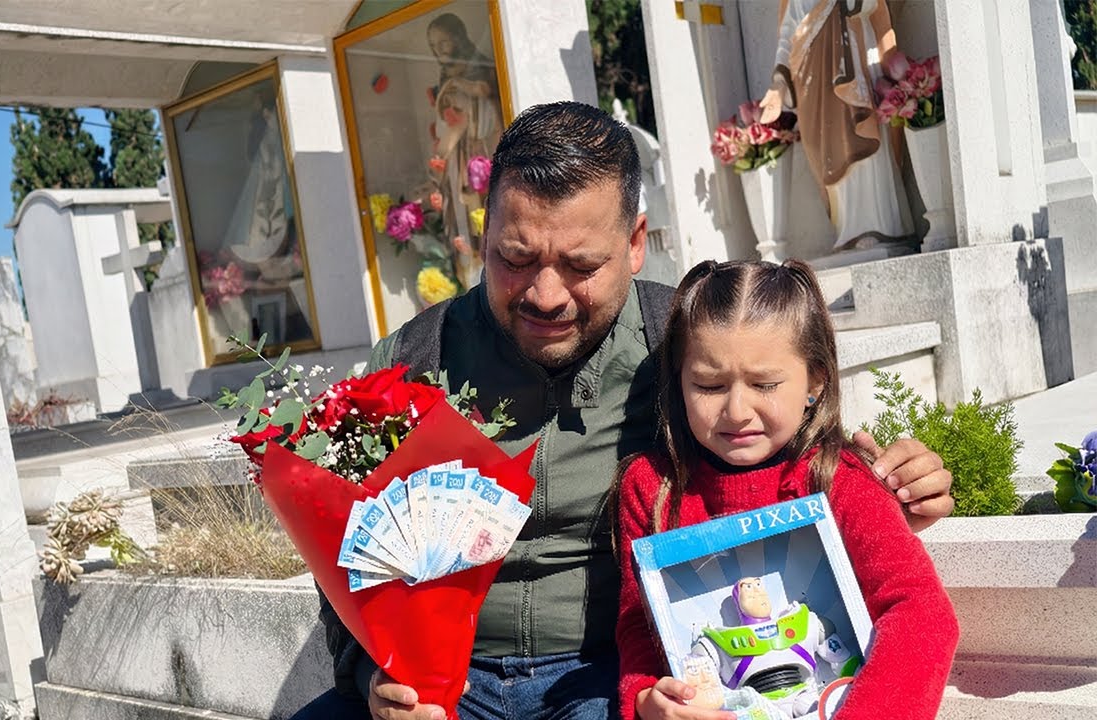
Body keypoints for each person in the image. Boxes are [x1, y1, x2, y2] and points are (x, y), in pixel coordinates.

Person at [293, 101, 953, 720]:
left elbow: (791, 446)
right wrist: (375, 675)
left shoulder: (687, 345)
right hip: (448, 683)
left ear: (636, 243)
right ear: (483, 233)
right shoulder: (408, 360)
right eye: (515, 259)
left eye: (581, 265)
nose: (546, 295)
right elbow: (344, 544)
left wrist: (898, 482)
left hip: (603, 681)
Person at [614, 260, 958, 720]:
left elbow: (921, 611)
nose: (737, 410)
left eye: (765, 384)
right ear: (678, 379)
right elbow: (639, 623)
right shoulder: (650, 488)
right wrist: (644, 698)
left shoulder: (839, 480)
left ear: (815, 381)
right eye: (708, 385)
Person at [758, 0, 912, 250]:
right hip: (816, 81)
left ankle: (882, 224)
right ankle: (850, 230)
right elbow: (788, 34)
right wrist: (778, 83)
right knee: (831, 147)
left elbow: (871, 6)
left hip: (856, 58)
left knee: (866, 141)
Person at [425, 12, 503, 289]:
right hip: (462, 159)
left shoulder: (475, 69)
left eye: (443, 43)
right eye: (434, 46)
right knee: (467, 216)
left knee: (478, 209)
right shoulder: (449, 76)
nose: (439, 51)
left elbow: (465, 116)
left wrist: (439, 158)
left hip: (477, 154)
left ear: (458, 38)